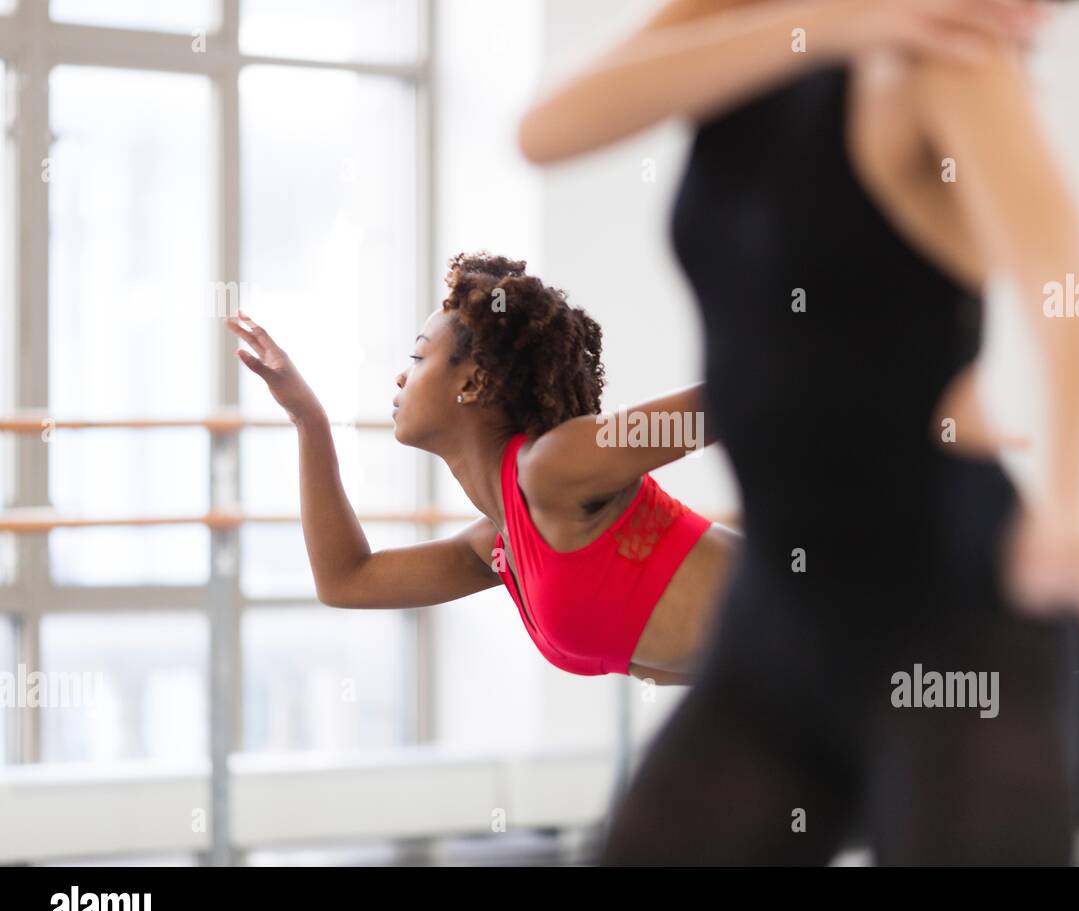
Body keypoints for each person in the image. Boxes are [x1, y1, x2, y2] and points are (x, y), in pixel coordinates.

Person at [518, 0, 1079, 864]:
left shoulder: (938, 56)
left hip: (951, 614)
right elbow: (544, 131)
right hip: (779, 616)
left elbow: (1060, 274)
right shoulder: (740, 21)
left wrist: (1071, 509)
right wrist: (828, 24)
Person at [228, 252, 739, 685]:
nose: (402, 376)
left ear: (473, 383)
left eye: (418, 358)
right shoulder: (498, 548)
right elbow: (345, 580)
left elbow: (735, 399)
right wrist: (308, 419)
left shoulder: (554, 469)